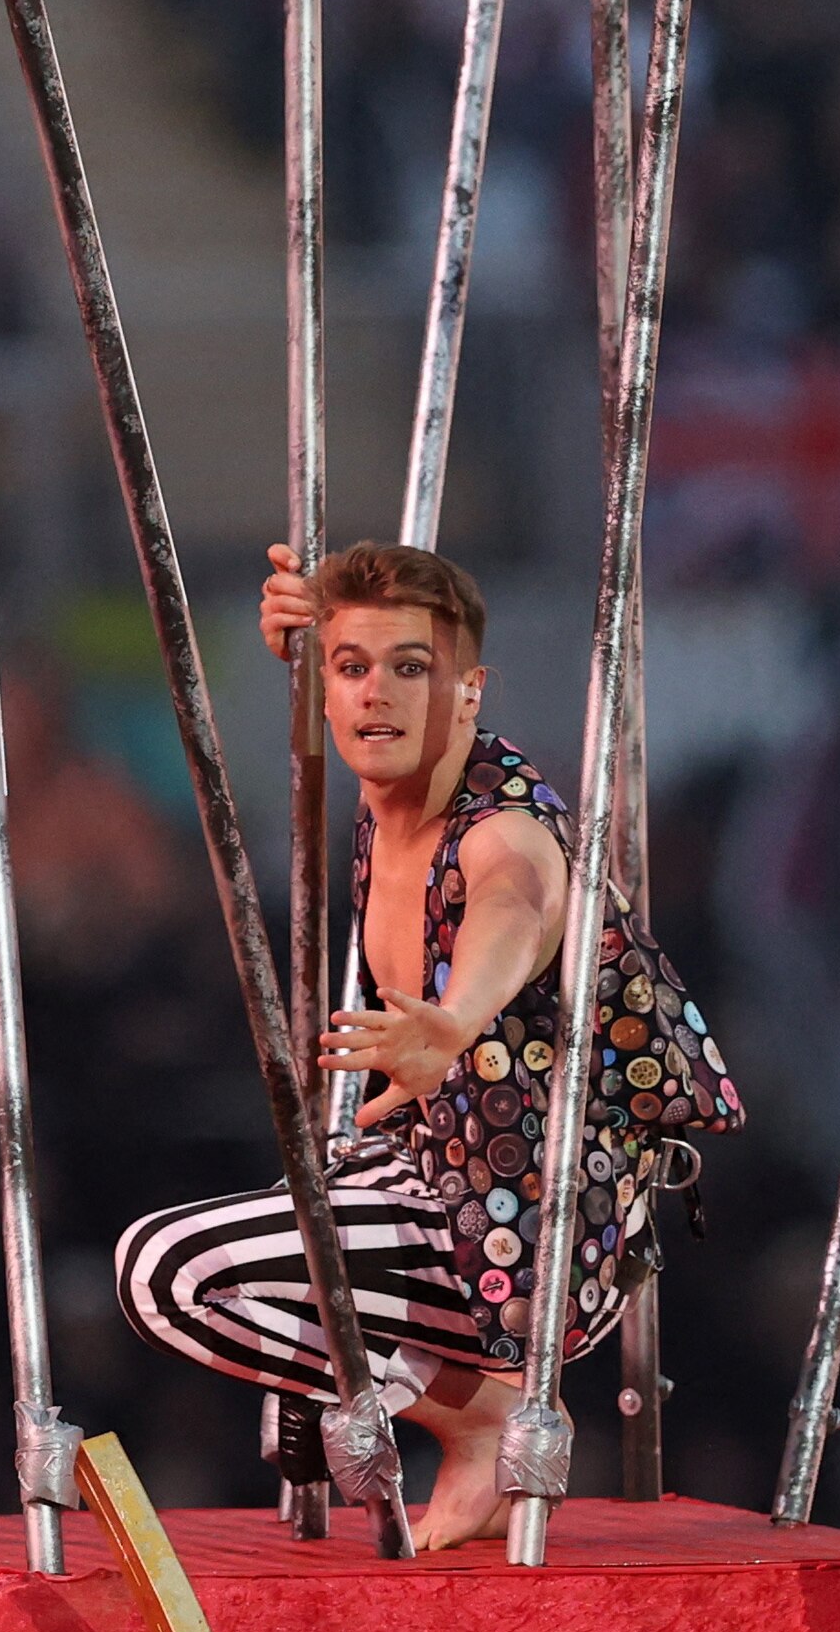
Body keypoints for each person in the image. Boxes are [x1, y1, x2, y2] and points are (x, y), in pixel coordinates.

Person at [111, 539, 738, 1549]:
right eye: (352, 670)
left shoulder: (497, 826)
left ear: (466, 692)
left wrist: (453, 1020)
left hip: (529, 1230)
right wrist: (305, 634)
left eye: (411, 669)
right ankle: (439, 1401)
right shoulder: (388, 791)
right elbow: (329, 712)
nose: (376, 697)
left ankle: (479, 1412)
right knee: (283, 1341)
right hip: (430, 1176)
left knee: (168, 1270)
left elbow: (513, 902)